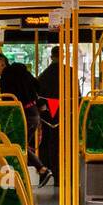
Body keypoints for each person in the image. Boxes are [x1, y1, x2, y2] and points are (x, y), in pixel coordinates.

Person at [0, 52, 52, 187]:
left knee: (14, 145)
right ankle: (29, 174)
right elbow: (37, 85)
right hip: (32, 112)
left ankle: (40, 170)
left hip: (21, 114)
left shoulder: (5, 78)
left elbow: (7, 101)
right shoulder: (21, 71)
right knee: (19, 145)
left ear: (1, 62)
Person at [35, 46, 61, 187]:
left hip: (47, 117)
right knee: (61, 146)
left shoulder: (43, 75)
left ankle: (45, 173)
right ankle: (61, 176)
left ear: (51, 57)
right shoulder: (69, 72)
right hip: (65, 116)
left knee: (46, 145)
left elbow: (38, 97)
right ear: (62, 56)